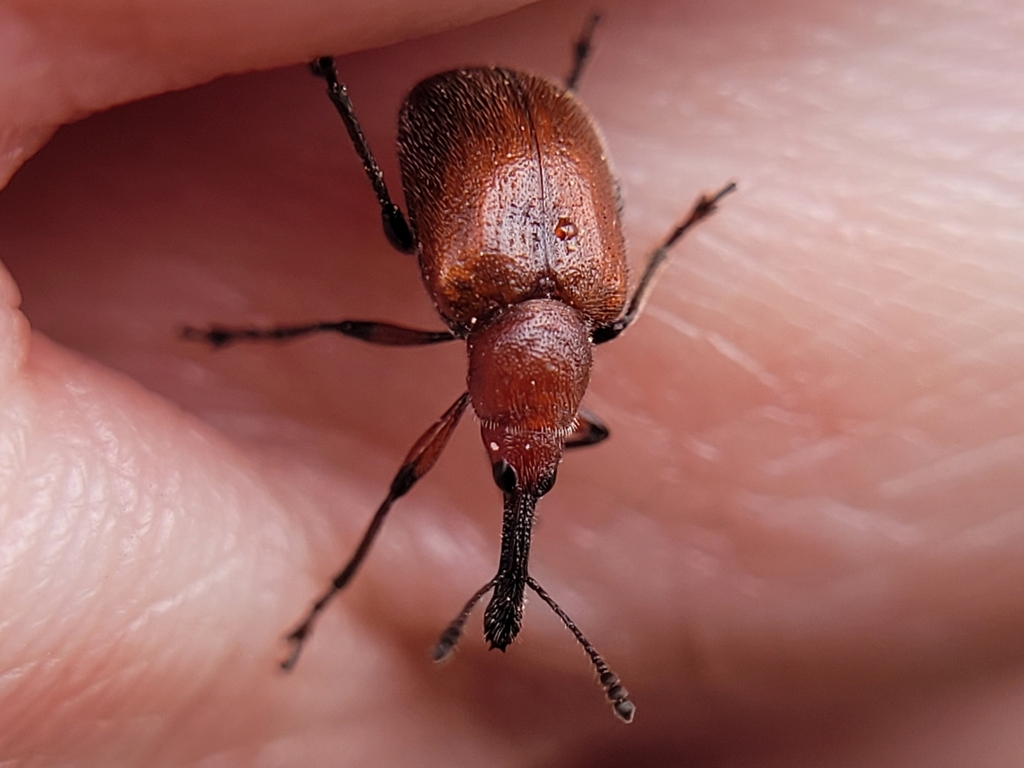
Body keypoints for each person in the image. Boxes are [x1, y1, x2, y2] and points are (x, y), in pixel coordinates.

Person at [1, 0, 1022, 764]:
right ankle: (333, 104)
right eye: (519, 455)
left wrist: (670, 239)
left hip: (525, 158)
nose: (517, 472)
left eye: (518, 458)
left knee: (410, 284)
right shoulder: (560, 302)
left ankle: (354, 113)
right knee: (401, 321)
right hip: (483, 127)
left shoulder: (590, 311)